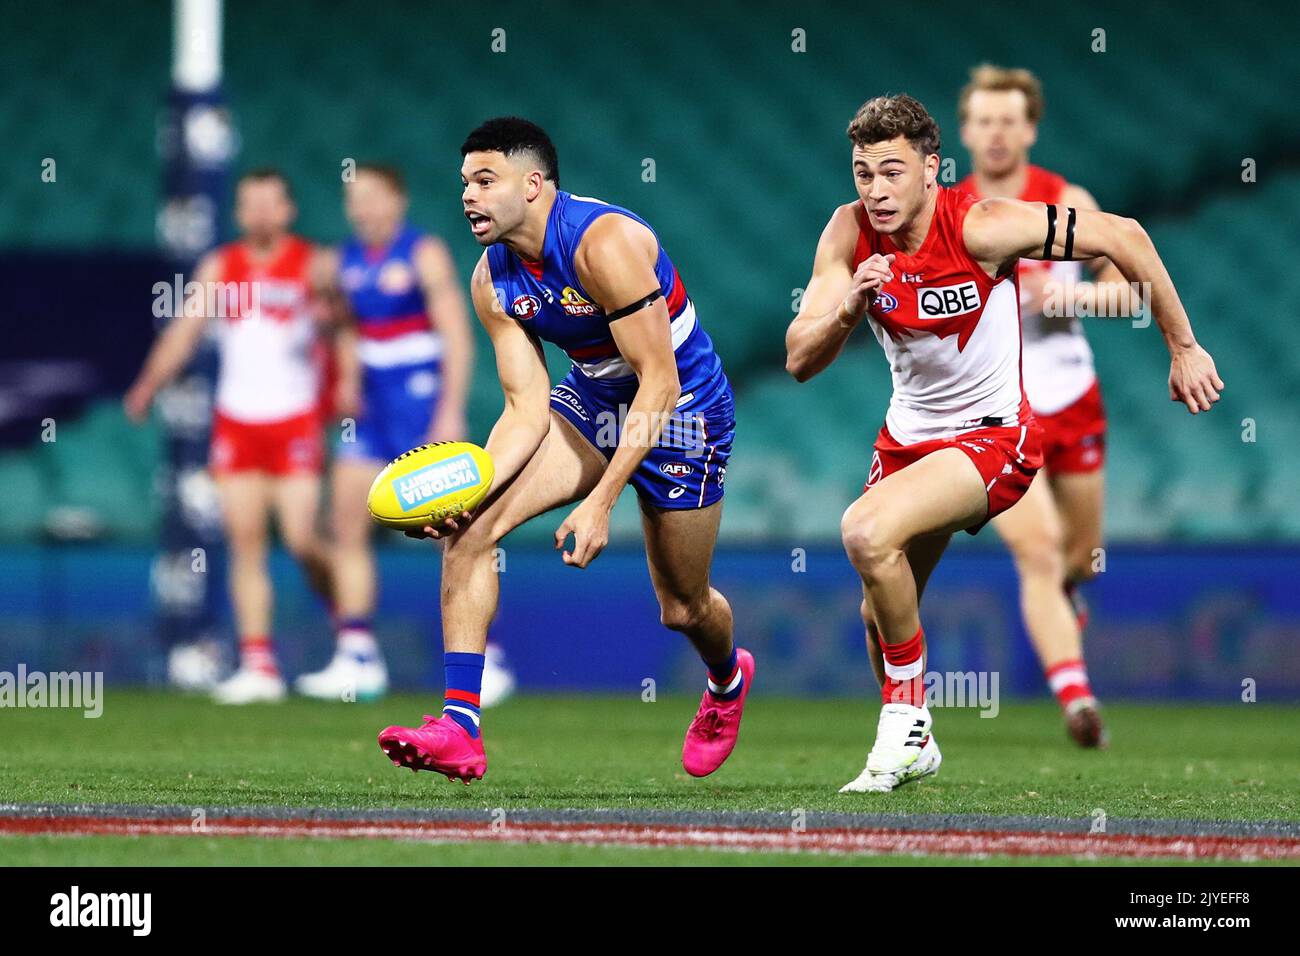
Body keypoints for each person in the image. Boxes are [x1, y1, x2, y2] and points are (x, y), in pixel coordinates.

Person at [784, 94, 1223, 793]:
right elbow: (800, 359)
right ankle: (916, 738)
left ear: (933, 169)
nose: (876, 190)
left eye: (892, 172)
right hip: (908, 443)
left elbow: (1126, 236)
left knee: (865, 533)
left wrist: (1185, 348)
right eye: (863, 173)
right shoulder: (847, 234)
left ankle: (903, 726)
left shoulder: (982, 226)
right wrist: (847, 305)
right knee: (877, 611)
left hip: (996, 437)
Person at [377, 118, 750, 784]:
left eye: (485, 180)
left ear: (534, 184)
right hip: (595, 405)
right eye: (464, 182)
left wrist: (602, 502)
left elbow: (660, 382)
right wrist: (469, 493)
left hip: (684, 413)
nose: (468, 196)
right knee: (468, 535)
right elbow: (524, 409)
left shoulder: (601, 244)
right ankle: (460, 727)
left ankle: (726, 680)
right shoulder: (491, 279)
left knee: (683, 608)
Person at [955, 64, 1135, 747]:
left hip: (1073, 398)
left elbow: (1128, 291)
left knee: (1082, 558)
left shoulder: (1066, 198)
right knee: (1039, 552)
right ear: (966, 131)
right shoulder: (952, 211)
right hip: (1000, 412)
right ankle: (1078, 700)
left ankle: (1067, 609)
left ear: (1029, 128)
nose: (997, 133)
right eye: (984, 120)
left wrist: (1072, 297)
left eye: (1010, 120)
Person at [295, 164, 506, 702]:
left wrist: (449, 410)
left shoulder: (423, 253)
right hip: (369, 409)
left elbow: (456, 334)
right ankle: (358, 654)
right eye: (354, 198)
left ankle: (487, 655)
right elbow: (343, 328)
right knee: (345, 524)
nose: (362, 208)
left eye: (372, 197)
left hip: (418, 401)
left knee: (455, 532)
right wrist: (345, 374)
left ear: (397, 200)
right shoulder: (341, 262)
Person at [125, 168, 336, 704]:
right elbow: (184, 330)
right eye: (250, 204)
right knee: (245, 545)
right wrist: (149, 383)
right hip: (238, 423)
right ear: (239, 212)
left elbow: (343, 331)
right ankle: (259, 662)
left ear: (288, 210)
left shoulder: (313, 264)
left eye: (270, 204)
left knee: (301, 539)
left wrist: (345, 380)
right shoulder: (223, 266)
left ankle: (345, 624)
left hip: (295, 421)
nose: (260, 214)